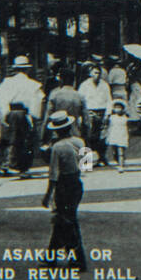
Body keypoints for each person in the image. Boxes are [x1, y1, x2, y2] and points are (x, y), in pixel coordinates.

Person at [41, 111, 87, 271]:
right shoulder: (80, 142)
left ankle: (76, 258)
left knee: (66, 221)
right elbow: (87, 165)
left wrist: (48, 195)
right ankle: (52, 256)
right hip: (76, 182)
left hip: (63, 185)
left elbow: (53, 174)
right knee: (65, 220)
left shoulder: (57, 147)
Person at [0, 56, 44, 175]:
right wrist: (33, 117)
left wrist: (4, 116)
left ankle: (8, 164)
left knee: (10, 138)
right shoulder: (33, 84)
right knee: (25, 139)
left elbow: (2, 100)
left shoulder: (7, 83)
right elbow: (36, 102)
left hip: (11, 112)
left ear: (15, 69)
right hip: (24, 113)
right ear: (27, 69)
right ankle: (22, 166)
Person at [43, 67, 87, 151]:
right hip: (75, 134)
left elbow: (47, 118)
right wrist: (86, 136)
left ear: (61, 80)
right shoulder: (79, 96)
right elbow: (86, 121)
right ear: (73, 81)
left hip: (57, 135)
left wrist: (44, 138)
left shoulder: (54, 95)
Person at [79, 65, 112, 166]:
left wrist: (108, 114)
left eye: (98, 73)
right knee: (87, 136)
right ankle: (86, 161)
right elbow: (81, 100)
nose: (97, 75)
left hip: (101, 111)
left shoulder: (104, 85)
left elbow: (109, 100)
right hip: (89, 112)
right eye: (95, 73)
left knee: (102, 137)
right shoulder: (84, 85)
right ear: (90, 74)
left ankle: (102, 157)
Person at [106, 100, 130, 171]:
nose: (118, 109)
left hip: (122, 135)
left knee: (121, 151)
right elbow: (108, 126)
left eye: (119, 107)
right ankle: (118, 161)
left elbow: (129, 127)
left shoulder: (126, 118)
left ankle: (121, 165)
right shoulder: (111, 117)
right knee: (114, 151)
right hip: (114, 135)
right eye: (116, 108)